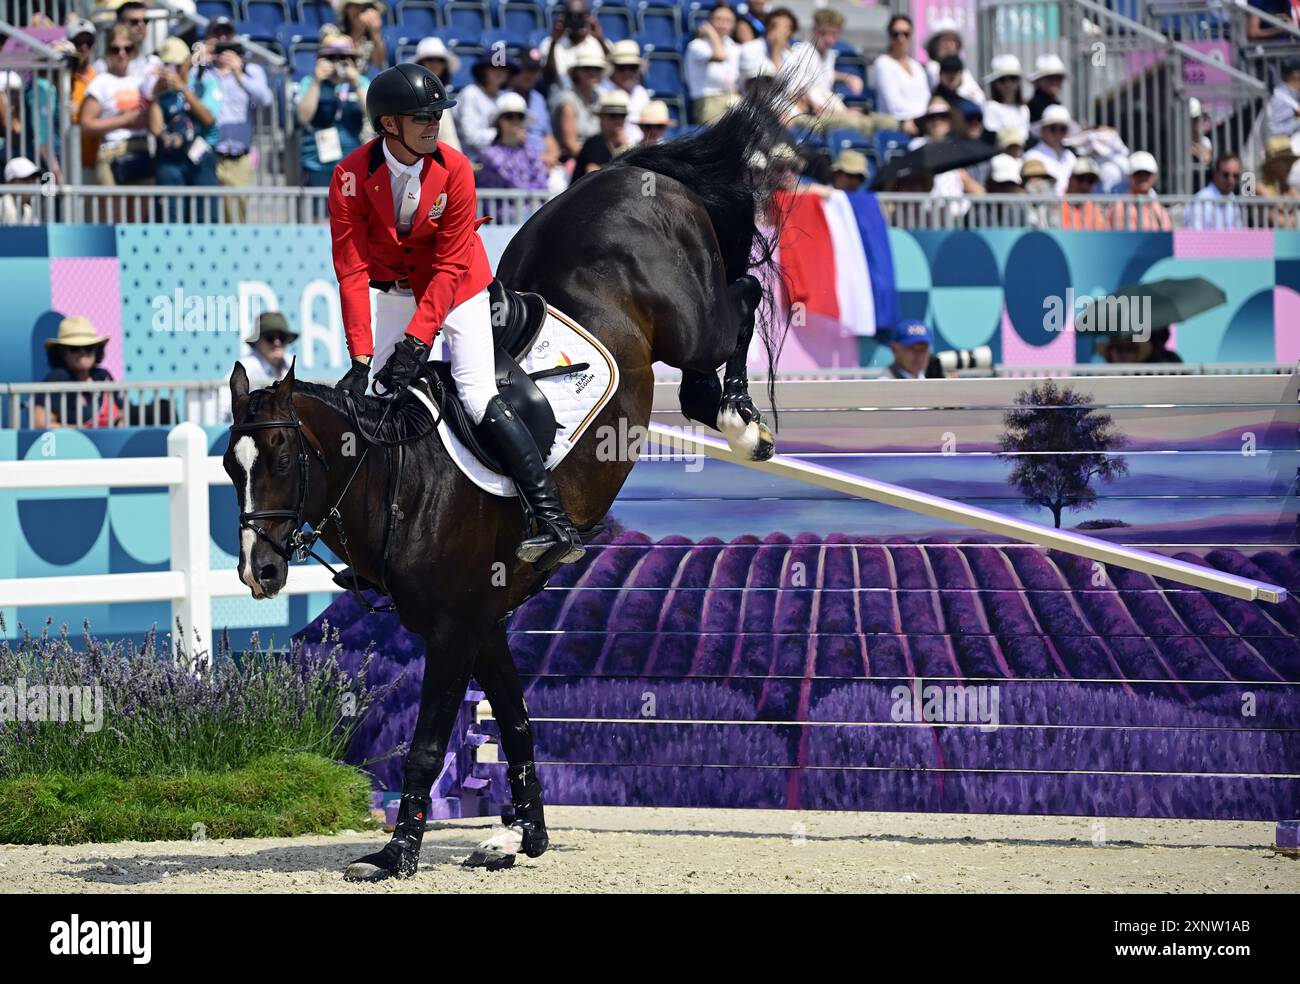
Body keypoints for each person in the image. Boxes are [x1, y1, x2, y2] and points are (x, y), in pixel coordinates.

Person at [328, 63, 584, 565]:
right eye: (422, 116)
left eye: (436, 114)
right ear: (388, 125)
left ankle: (551, 518)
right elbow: (352, 272)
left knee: (474, 391)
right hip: (397, 289)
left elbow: (448, 266)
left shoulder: (457, 169)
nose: (433, 124)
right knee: (378, 393)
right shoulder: (350, 177)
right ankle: (377, 538)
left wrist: (419, 341)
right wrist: (360, 358)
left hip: (459, 284)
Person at [196, 17, 273, 222]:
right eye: (216, 34)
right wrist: (197, 61)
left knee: (236, 221)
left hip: (238, 157)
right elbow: (183, 87)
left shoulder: (250, 70)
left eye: (226, 34)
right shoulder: (201, 70)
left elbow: (265, 99)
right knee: (205, 217)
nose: (222, 39)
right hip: (207, 156)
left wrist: (239, 74)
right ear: (207, 38)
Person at [145, 36, 220, 223]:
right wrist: (155, 96)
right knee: (173, 216)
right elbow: (155, 129)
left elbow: (208, 119)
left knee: (205, 218)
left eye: (178, 65)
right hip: (171, 161)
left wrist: (183, 89)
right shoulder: (161, 92)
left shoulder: (206, 84)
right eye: (168, 65)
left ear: (188, 62)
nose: (174, 71)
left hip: (201, 159)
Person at [80, 25, 150, 190]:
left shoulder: (141, 80)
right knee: (115, 213)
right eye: (115, 49)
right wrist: (124, 119)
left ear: (135, 51)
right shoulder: (101, 82)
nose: (122, 54)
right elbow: (86, 124)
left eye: (128, 48)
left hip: (141, 149)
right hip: (111, 151)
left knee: (142, 213)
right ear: (107, 52)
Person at [296, 34, 369, 192]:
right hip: (316, 160)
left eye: (343, 57)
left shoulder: (361, 82)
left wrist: (355, 82)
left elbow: (372, 113)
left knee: (347, 214)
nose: (337, 62)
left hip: (350, 163)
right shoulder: (310, 82)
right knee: (318, 215)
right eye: (331, 57)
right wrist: (317, 81)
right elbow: (303, 117)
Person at [32, 316, 123, 430]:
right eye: (74, 348)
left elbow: (122, 414)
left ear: (97, 350)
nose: (82, 353)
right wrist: (82, 431)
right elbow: (40, 424)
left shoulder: (103, 376)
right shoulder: (58, 378)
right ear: (62, 352)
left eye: (88, 347)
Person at [477, 91, 548, 192]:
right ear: (499, 121)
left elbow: (543, 182)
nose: (515, 120)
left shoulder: (530, 152)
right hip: (500, 207)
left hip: (530, 206)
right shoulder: (490, 155)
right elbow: (513, 184)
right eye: (509, 116)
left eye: (519, 116)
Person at [871, 14, 929, 133]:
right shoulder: (883, 63)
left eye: (906, 34)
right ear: (890, 36)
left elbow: (926, 97)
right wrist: (921, 118)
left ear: (911, 36)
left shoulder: (917, 66)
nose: (901, 38)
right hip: (897, 124)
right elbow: (894, 105)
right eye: (896, 34)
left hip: (921, 122)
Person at [685, 2, 742, 124]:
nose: (723, 24)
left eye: (728, 20)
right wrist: (712, 34)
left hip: (730, 99)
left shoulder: (733, 46)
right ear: (709, 21)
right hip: (708, 101)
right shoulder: (697, 45)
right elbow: (720, 56)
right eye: (718, 19)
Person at [540, 0, 610, 91]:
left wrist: (600, 40)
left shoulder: (600, 43)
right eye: (571, 16)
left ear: (588, 18)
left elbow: (615, 72)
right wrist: (554, 41)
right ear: (563, 18)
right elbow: (548, 78)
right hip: (562, 95)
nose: (575, 20)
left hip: (595, 95)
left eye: (580, 16)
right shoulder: (549, 44)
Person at [551, 50, 605, 163]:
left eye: (596, 69)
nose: (592, 72)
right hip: (574, 162)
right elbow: (571, 145)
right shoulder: (568, 100)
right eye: (587, 68)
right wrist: (597, 161)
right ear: (577, 72)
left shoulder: (600, 97)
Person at [457, 55, 512, 162]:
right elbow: (471, 138)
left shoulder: (505, 97)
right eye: (494, 67)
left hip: (498, 161)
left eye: (504, 68)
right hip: (470, 162)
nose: (499, 72)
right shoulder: (470, 94)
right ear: (483, 71)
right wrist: (502, 134)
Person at [414, 36, 462, 153]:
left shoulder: (440, 93)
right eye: (430, 59)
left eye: (440, 60)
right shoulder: (418, 95)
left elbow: (448, 137)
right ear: (421, 63)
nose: (435, 64)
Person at [92, 1, 157, 79]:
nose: (141, 25)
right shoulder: (101, 67)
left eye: (145, 21)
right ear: (120, 23)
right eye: (134, 22)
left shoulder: (153, 62)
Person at [573, 89, 629, 179]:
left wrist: (624, 148)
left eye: (622, 116)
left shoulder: (623, 144)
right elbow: (593, 176)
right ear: (601, 118)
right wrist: (620, 151)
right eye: (613, 115)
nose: (618, 121)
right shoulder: (594, 143)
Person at [923, 20, 983, 104]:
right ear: (934, 45)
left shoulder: (965, 71)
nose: (949, 45)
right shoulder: (931, 67)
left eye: (953, 41)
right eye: (945, 41)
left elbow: (979, 97)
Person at [602, 40, 650, 145]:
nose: (627, 72)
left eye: (632, 67)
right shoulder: (600, 91)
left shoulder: (641, 93)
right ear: (613, 66)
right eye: (622, 67)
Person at [1023, 103, 1078, 194]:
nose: (1058, 133)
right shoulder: (1032, 156)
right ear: (1043, 130)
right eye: (1053, 128)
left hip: (1068, 206)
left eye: (1063, 129)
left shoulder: (1069, 156)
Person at [1111, 150, 1172, 230]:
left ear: (1154, 177)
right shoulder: (1120, 207)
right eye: (1138, 174)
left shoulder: (1157, 205)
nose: (1143, 178)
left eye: (1147, 174)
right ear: (1130, 176)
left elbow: (1168, 233)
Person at [1188, 153, 1245, 229]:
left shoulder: (1232, 199)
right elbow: (1195, 236)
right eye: (1225, 175)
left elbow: (1239, 234)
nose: (1231, 180)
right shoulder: (1201, 200)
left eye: (1235, 176)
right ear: (1215, 174)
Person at [239, 311, 297, 384]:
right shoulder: (247, 367)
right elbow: (224, 393)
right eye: (270, 337)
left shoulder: (289, 362)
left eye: (282, 337)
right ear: (257, 342)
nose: (277, 343)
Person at [982, 54, 1029, 139]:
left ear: (1018, 82)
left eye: (1013, 78)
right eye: (1002, 79)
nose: (1008, 84)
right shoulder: (990, 107)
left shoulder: (1024, 109)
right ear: (995, 84)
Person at [338, 0, 387, 72]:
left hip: (363, 81)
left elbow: (378, 62)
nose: (360, 10)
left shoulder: (370, 40)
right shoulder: (332, 30)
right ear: (346, 9)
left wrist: (375, 33)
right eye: (355, 5)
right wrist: (358, 31)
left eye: (365, 7)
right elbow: (338, 54)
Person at [1060, 158, 1108, 229]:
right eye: (1080, 178)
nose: (1084, 186)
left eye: (1090, 181)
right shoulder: (1055, 205)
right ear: (1070, 178)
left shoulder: (1095, 210)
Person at [1027, 53, 1066, 124]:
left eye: (1059, 77)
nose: (1055, 81)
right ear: (1038, 81)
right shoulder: (1031, 109)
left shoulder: (1057, 104)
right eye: (1050, 77)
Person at [1268, 56, 1300, 142]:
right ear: (1296, 76)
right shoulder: (1280, 97)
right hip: (1281, 150)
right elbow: (1272, 129)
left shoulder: (1292, 94)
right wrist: (1297, 122)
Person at [1, 156, 40, 223]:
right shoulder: (1, 207)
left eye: (33, 179)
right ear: (10, 182)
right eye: (25, 179)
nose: (31, 184)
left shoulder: (29, 211)